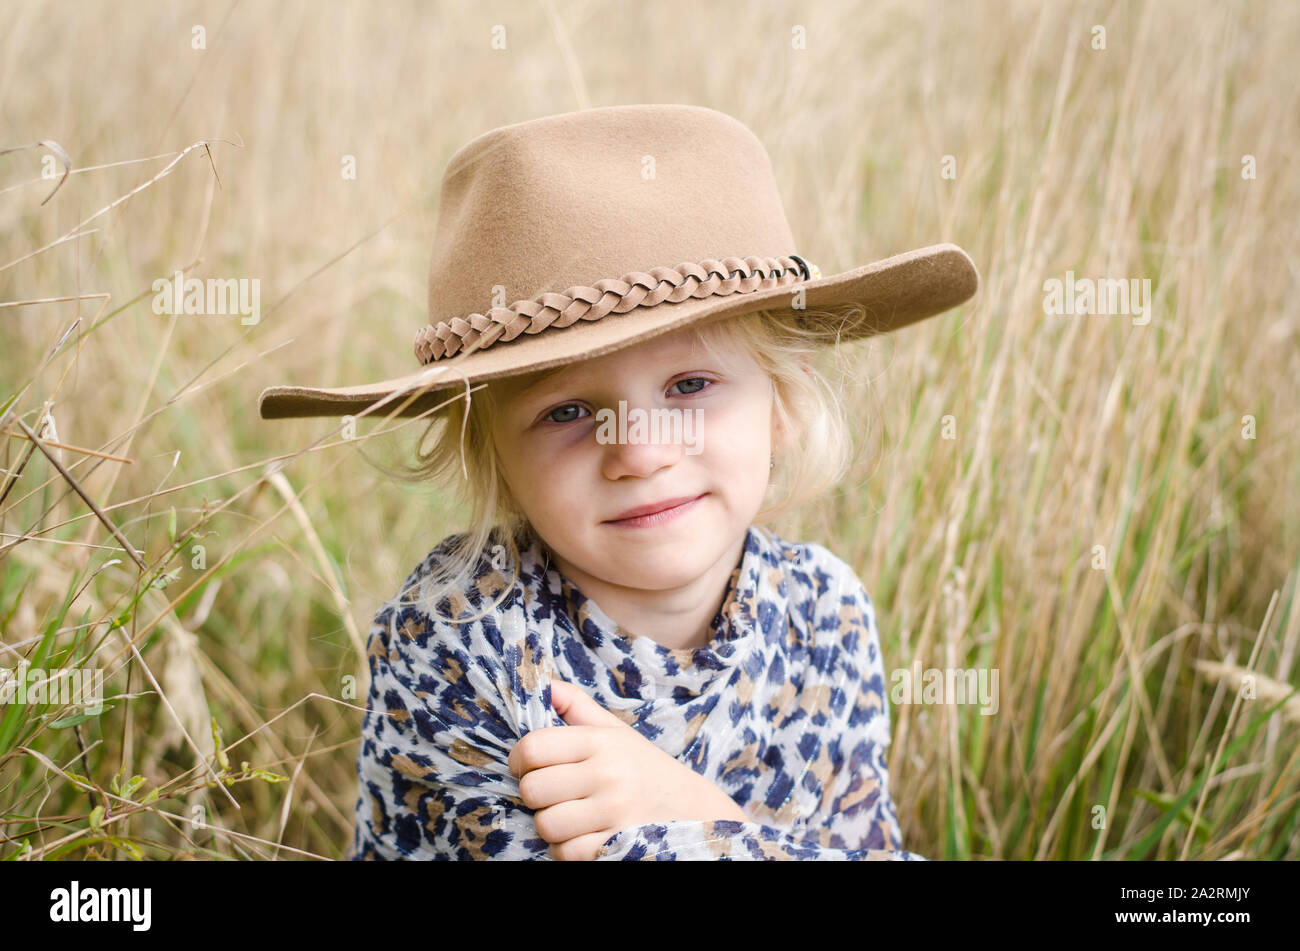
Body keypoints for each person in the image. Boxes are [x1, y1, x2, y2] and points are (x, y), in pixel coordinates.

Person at [259, 103, 980, 860]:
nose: (638, 451)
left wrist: (692, 813)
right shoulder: (455, 640)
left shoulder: (825, 617)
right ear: (493, 454)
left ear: (785, 401)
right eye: (567, 410)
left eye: (690, 385)